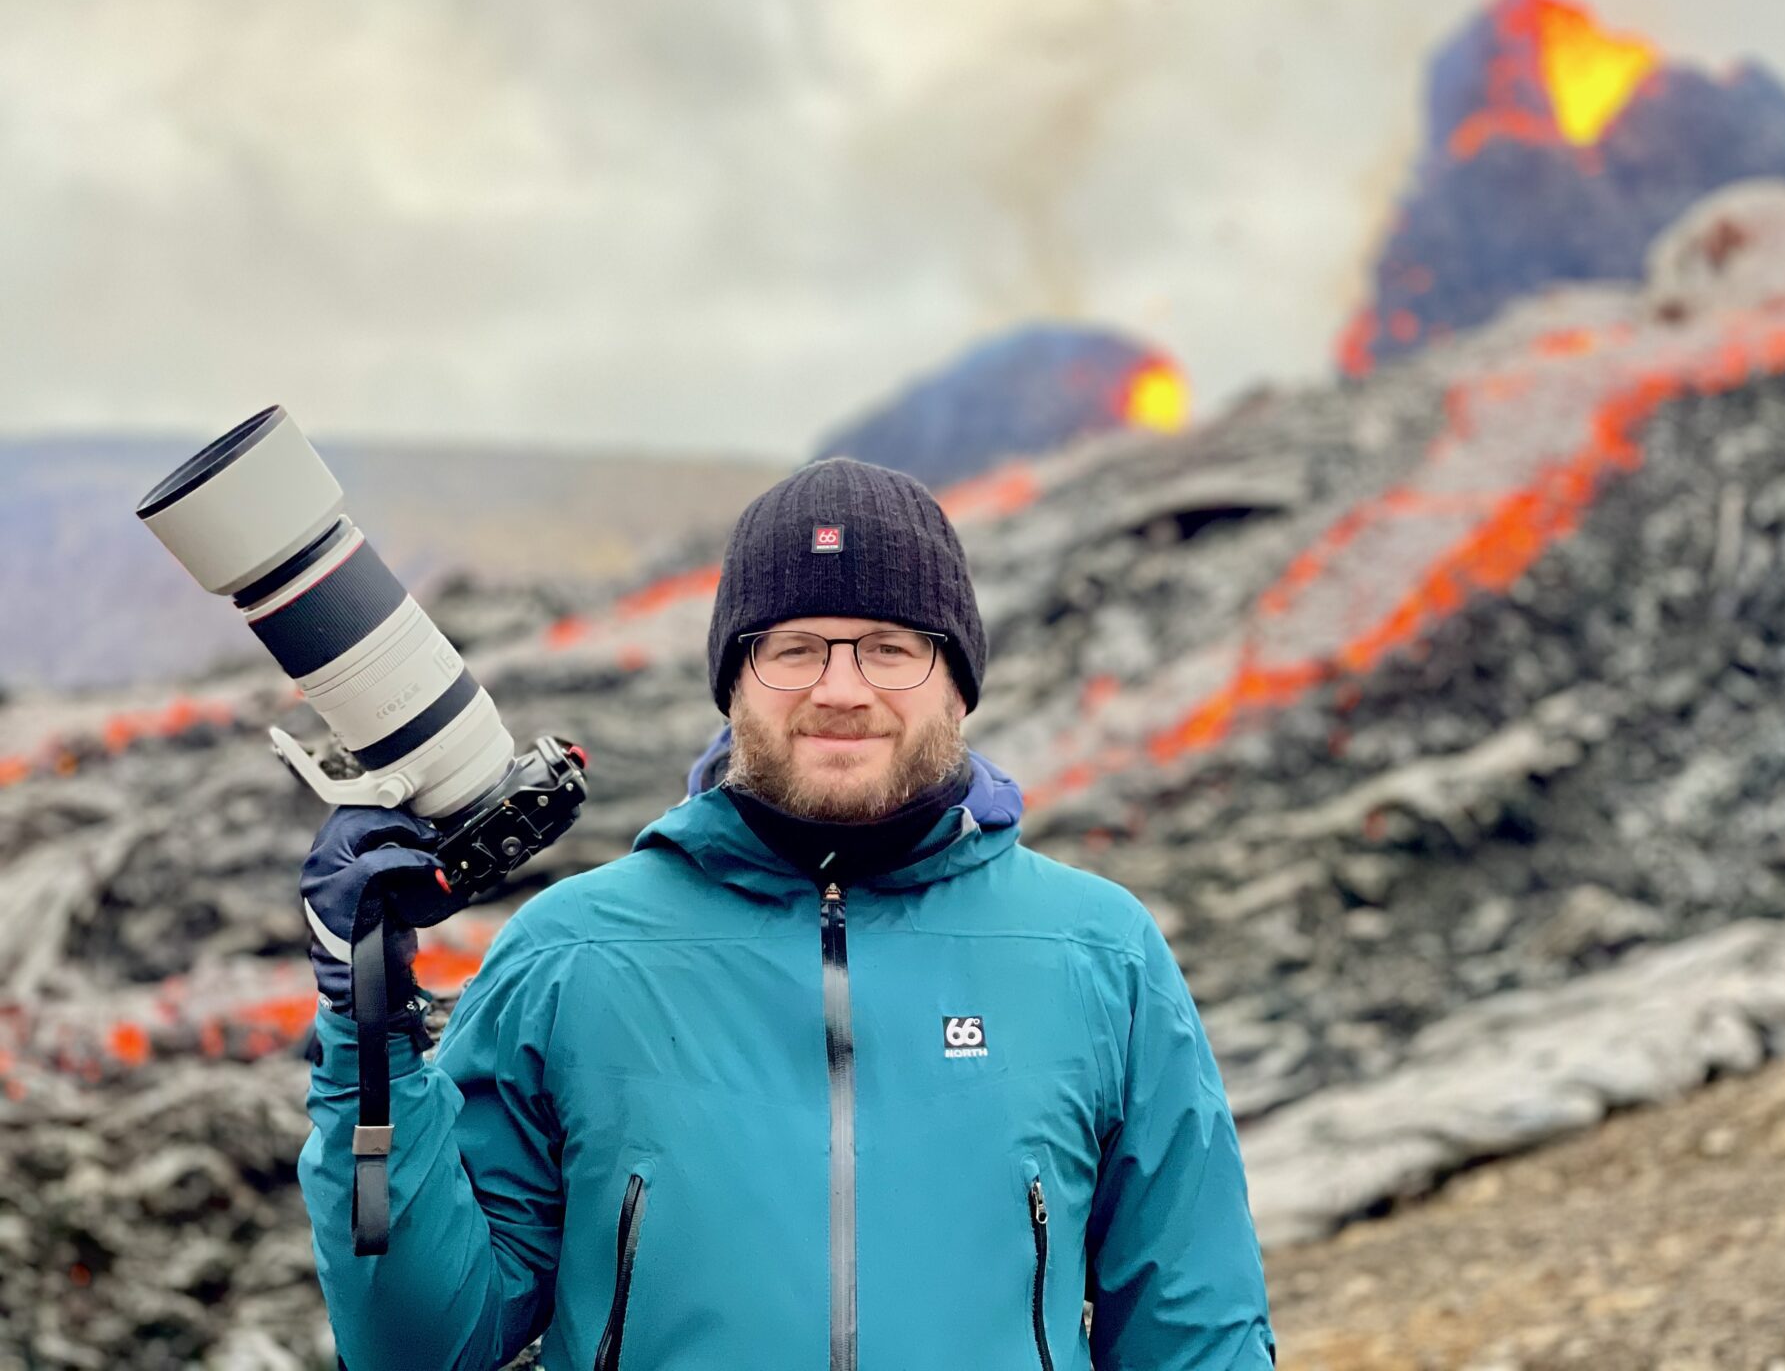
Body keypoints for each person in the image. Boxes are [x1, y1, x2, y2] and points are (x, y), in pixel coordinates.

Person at [297, 456, 1277, 1370]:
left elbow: (1197, 1334)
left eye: (890, 649)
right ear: (733, 682)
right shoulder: (571, 956)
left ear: (957, 683)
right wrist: (368, 1039)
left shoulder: (1095, 953)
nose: (839, 690)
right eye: (794, 649)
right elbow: (419, 1345)